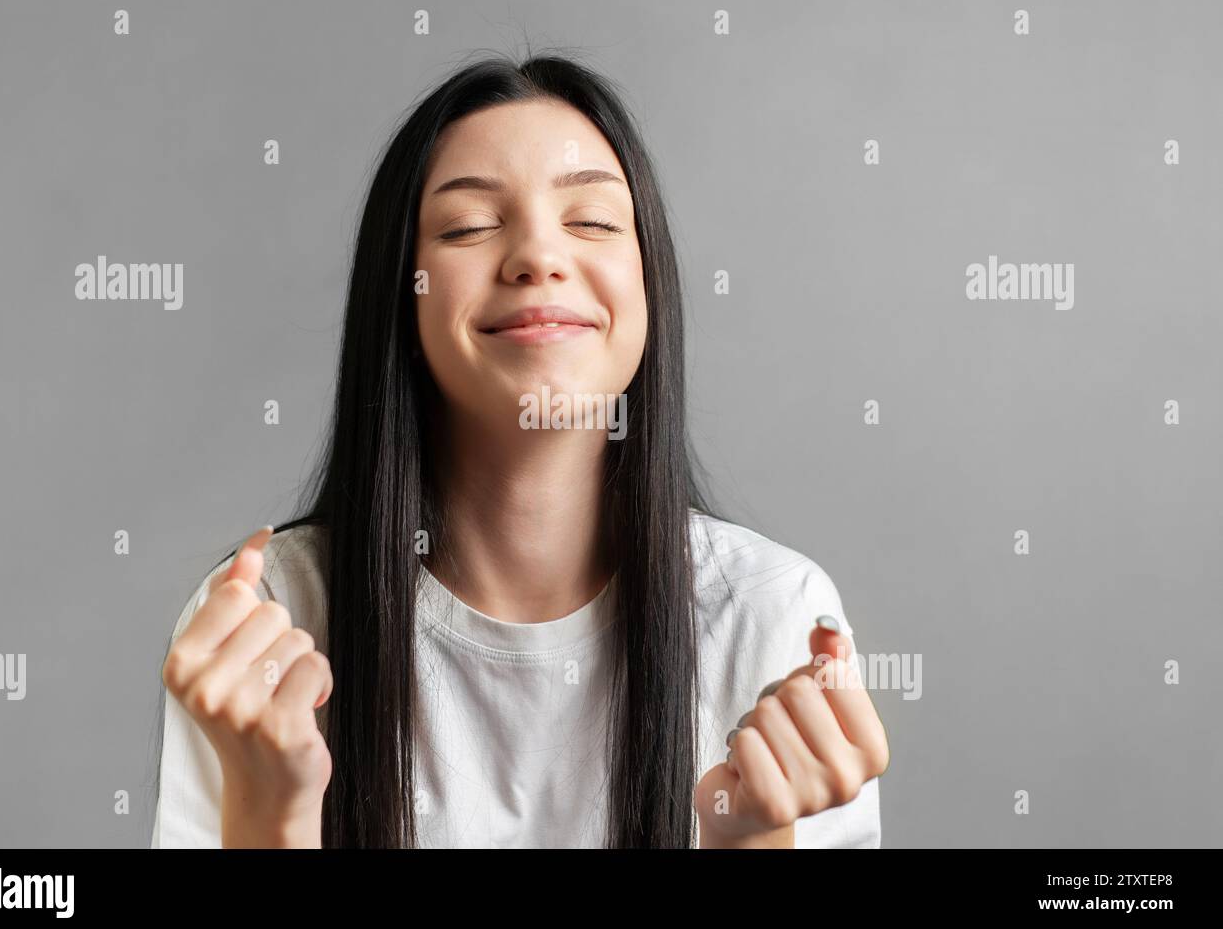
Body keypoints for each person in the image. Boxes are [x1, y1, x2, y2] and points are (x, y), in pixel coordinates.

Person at [152, 51, 889, 849]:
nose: (539, 257)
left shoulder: (770, 615)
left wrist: (749, 840)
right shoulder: (269, 632)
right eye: (469, 226)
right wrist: (271, 811)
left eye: (594, 222)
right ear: (402, 294)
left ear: (650, 285)